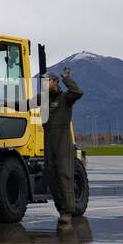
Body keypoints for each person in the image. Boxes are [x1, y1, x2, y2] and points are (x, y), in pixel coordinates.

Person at [43, 66, 83, 224]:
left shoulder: (65, 98)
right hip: (48, 139)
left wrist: (67, 78)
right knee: (51, 174)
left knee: (64, 173)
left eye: (47, 81)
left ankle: (68, 210)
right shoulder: (44, 99)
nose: (44, 84)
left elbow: (78, 92)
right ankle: (61, 208)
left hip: (62, 139)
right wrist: (2, 100)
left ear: (55, 82)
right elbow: (25, 103)